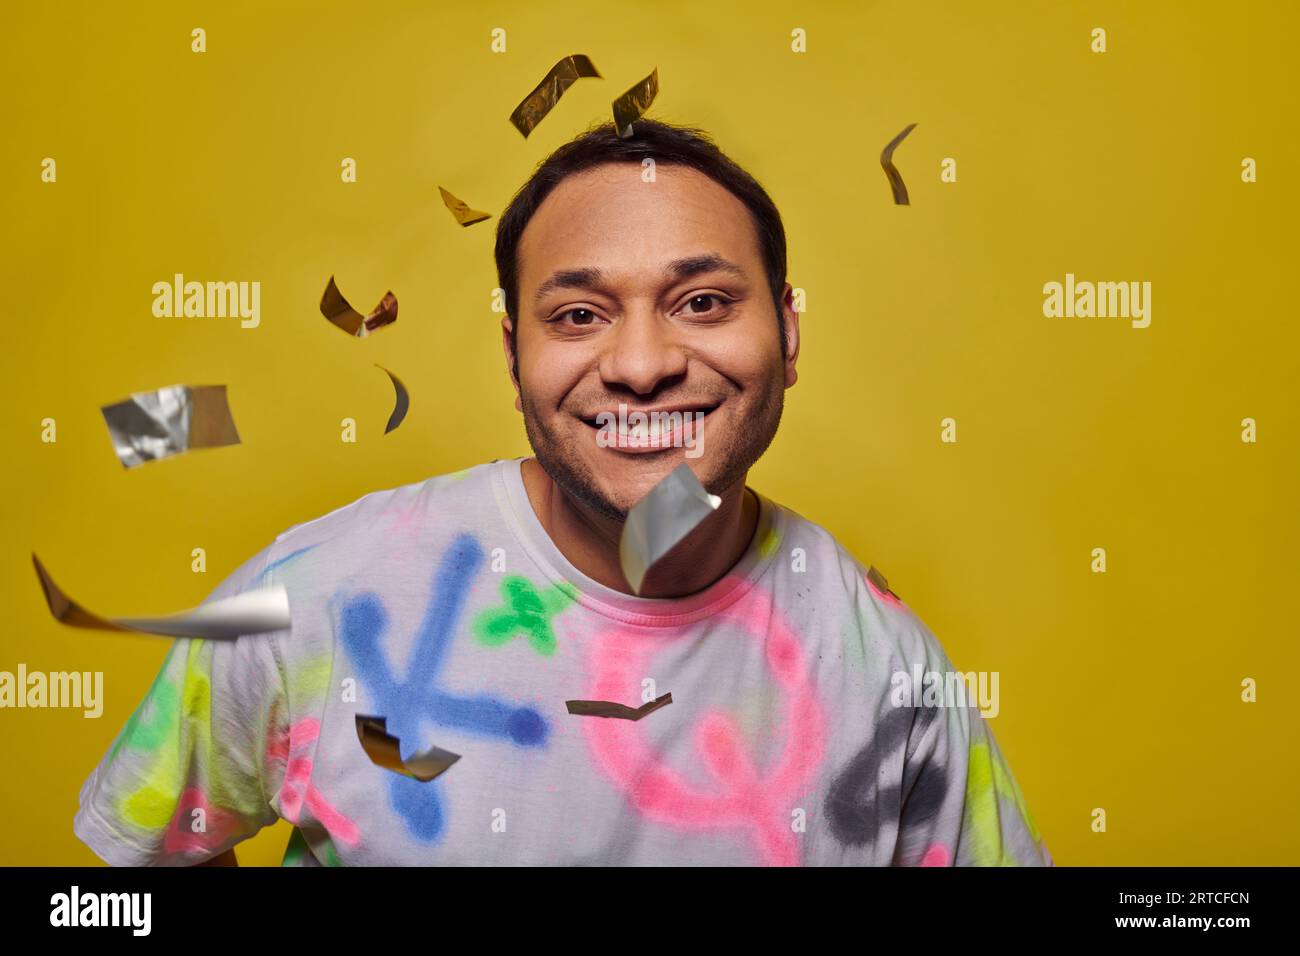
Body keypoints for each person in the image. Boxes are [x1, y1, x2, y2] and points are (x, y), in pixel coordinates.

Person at [74, 118, 1051, 866]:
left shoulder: (884, 666)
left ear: (787, 334)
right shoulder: (313, 599)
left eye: (702, 301)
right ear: (514, 353)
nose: (639, 363)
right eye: (579, 313)